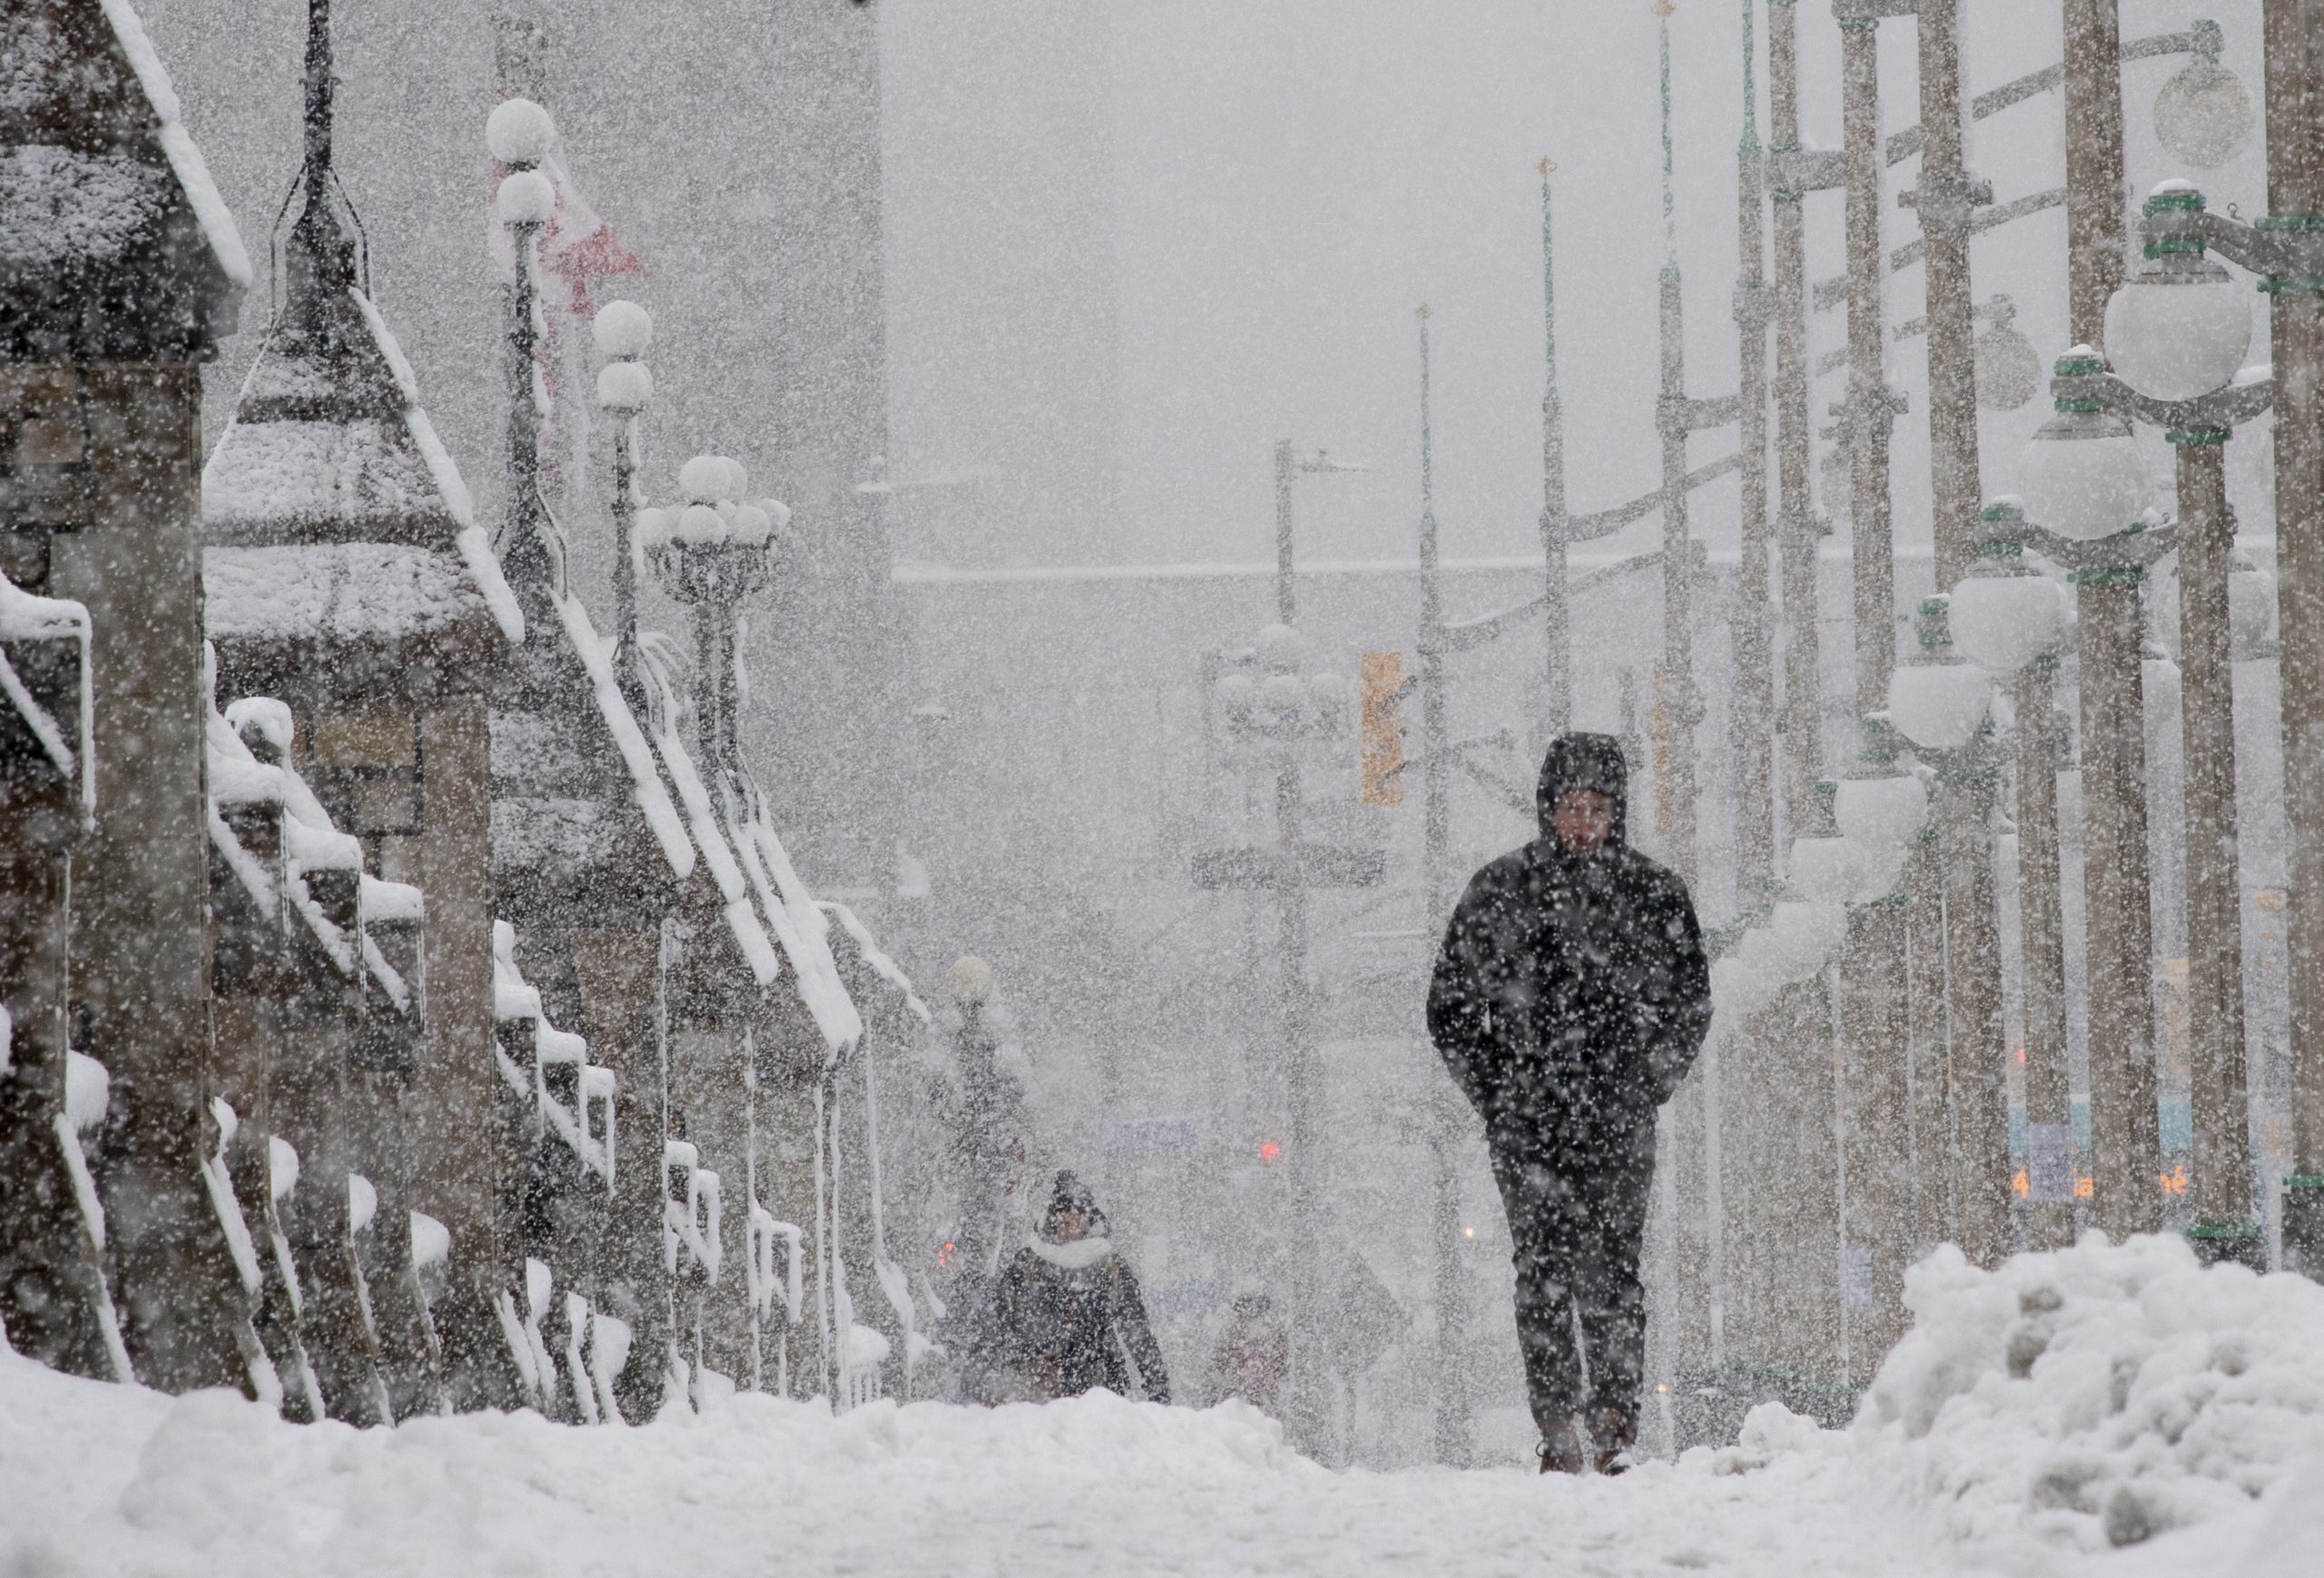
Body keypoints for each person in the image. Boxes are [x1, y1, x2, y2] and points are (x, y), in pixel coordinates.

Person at [1426, 732, 1710, 1474]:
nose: (1582, 823)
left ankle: (1615, 1422)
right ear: (1548, 810)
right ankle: (1556, 1423)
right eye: (1570, 808)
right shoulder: (1501, 893)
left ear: (1616, 812)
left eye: (1595, 809)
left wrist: (1645, 1083)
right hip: (1528, 1125)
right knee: (1543, 1269)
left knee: (1613, 1270)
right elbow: (1450, 1008)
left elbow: (1689, 1005)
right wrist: (1498, 1093)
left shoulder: (1653, 894)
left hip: (1617, 1121)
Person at [984, 1171, 1170, 1405]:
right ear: (1052, 1218)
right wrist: (988, 1375)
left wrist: (1157, 1386)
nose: (1069, 1219)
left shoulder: (1108, 1264)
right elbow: (999, 1321)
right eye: (1063, 1212)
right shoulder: (1029, 1261)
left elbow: (1135, 1329)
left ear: (1090, 1220)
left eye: (1078, 1213)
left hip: (1095, 1387)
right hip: (1042, 1387)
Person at [1204, 1291, 1288, 1415]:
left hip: (1258, 1396)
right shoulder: (1232, 1335)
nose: (1251, 1316)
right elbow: (1219, 1364)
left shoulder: (1274, 1335)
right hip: (1243, 1397)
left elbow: (1281, 1366)